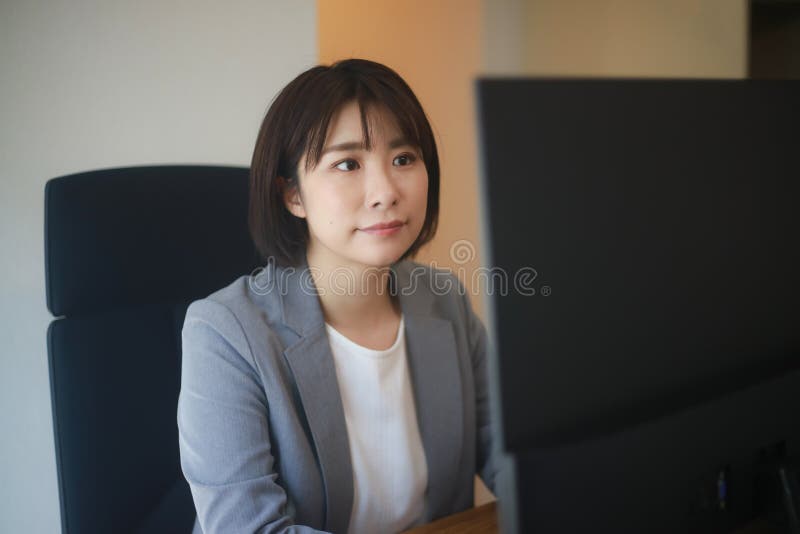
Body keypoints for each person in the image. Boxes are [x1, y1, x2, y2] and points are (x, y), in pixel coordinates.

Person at [177, 58, 499, 534]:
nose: (385, 191)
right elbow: (250, 529)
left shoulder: (444, 300)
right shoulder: (224, 333)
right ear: (292, 196)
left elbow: (516, 458)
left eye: (404, 159)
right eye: (347, 163)